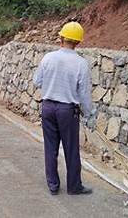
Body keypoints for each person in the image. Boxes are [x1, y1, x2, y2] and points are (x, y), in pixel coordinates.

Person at [33, 21, 93, 196]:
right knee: (71, 149)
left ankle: (53, 185)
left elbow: (37, 81)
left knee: (50, 147)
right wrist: (89, 113)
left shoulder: (48, 58)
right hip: (68, 110)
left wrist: (52, 83)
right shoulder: (81, 63)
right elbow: (83, 93)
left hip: (48, 107)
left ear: (61, 38)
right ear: (78, 42)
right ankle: (74, 186)